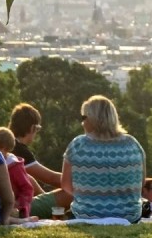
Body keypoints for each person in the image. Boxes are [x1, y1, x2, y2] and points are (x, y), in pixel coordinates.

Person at [60, 95, 145, 223]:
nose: (82, 122)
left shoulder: (78, 145)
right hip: (129, 217)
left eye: (84, 117)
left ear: (93, 118)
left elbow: (66, 184)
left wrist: (89, 197)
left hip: (86, 216)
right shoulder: (133, 144)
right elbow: (141, 182)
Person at [9, 103, 63, 189]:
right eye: (38, 129)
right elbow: (51, 179)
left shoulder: (6, 143)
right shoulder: (20, 150)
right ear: (32, 128)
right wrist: (82, 182)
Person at [0, 127, 34, 218]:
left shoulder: (15, 167)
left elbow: (27, 189)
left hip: (15, 208)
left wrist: (20, 204)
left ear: (5, 149)